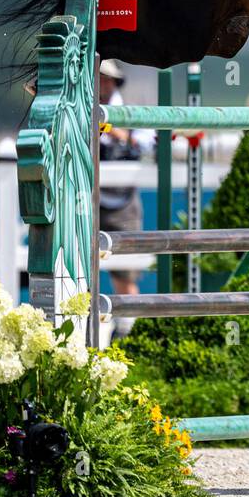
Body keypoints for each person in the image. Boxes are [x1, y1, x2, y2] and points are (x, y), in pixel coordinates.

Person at [96, 60, 154, 339]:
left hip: (123, 202)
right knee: (80, 271)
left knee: (126, 274)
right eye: (99, 79)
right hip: (90, 200)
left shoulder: (129, 107)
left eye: (107, 80)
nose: (103, 85)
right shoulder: (80, 107)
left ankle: (127, 334)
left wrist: (110, 129)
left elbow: (146, 143)